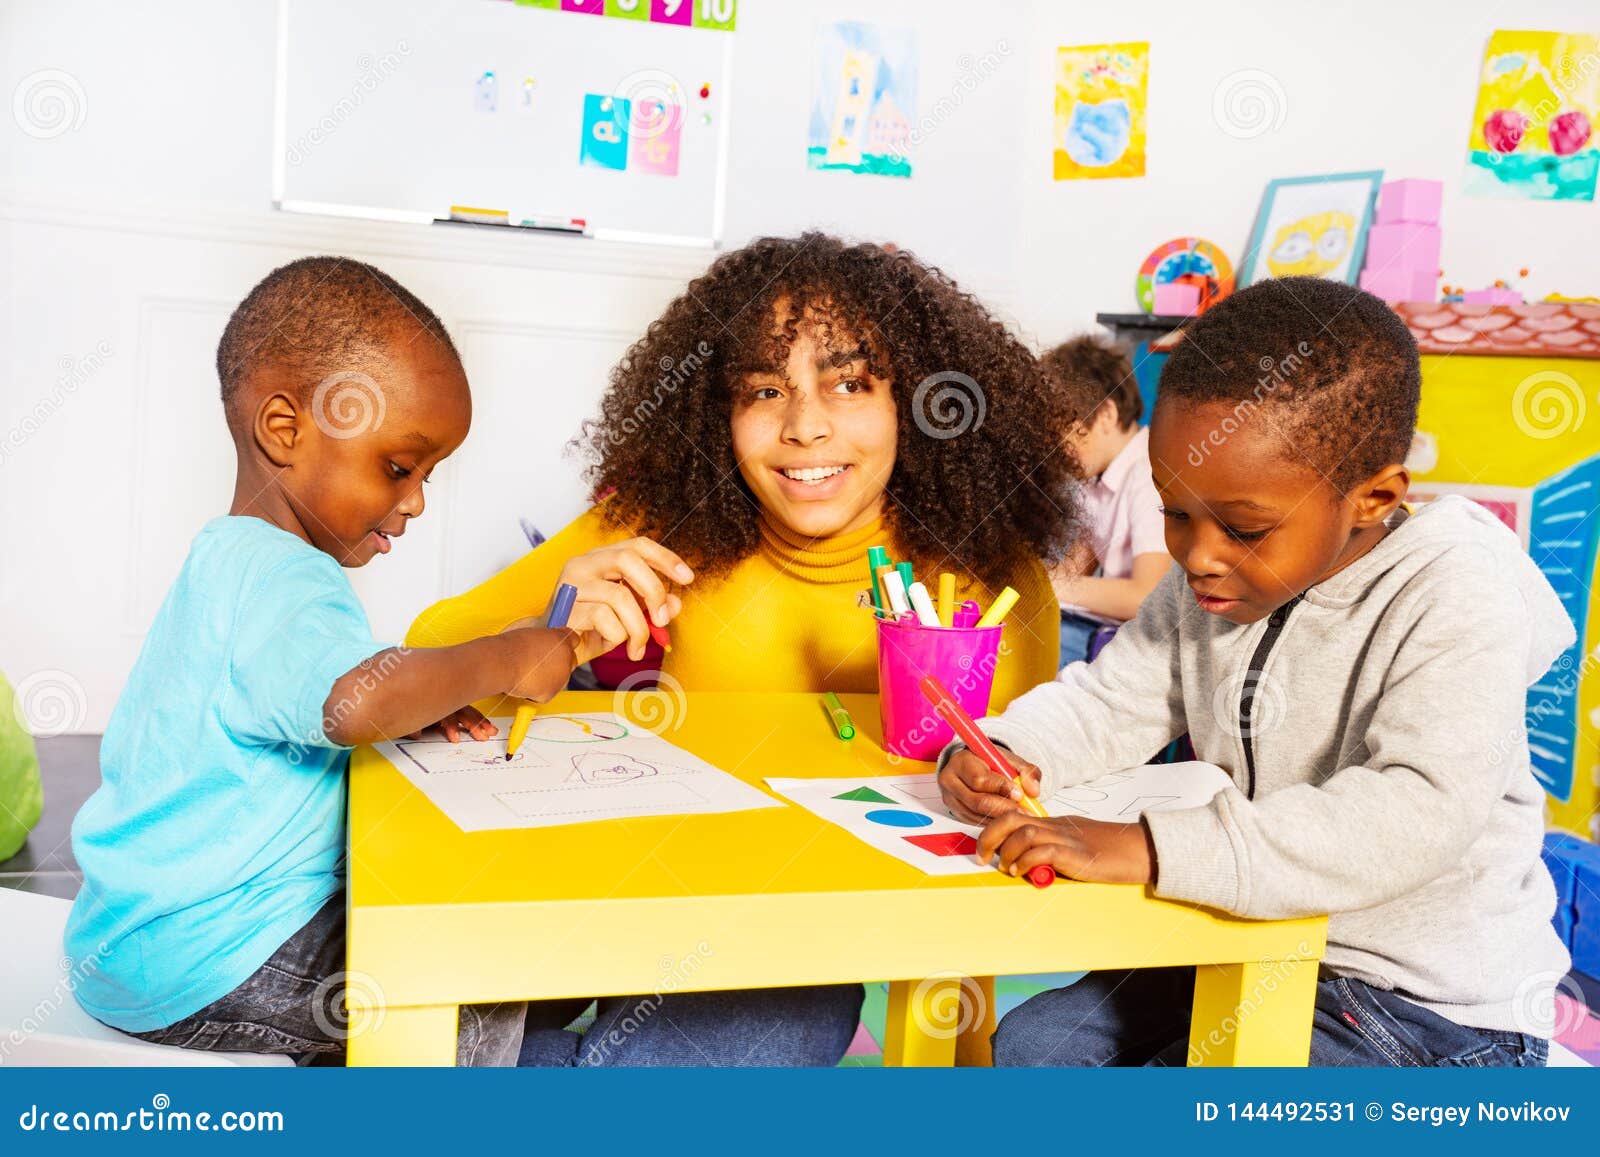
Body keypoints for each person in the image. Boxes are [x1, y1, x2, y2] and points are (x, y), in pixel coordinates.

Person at [940, 277, 1569, 1067]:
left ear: (1373, 498)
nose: (1197, 554)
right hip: (1253, 943)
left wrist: (1154, 847)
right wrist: (1009, 747)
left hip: (1426, 1012)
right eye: (1174, 512)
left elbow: (1414, 811)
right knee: (1036, 1047)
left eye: (1243, 527)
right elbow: (1112, 700)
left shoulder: (1456, 590)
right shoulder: (1212, 577)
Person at [65, 257, 624, 1066]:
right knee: (461, 985)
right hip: (212, 958)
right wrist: (508, 653)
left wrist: (428, 703)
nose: (418, 500)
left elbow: (321, 698)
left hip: (147, 934)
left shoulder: (235, 558)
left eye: (428, 474)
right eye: (400, 467)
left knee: (483, 945)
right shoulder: (284, 578)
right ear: (284, 430)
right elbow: (351, 704)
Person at [1040, 335, 1168, 665]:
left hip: (1139, 641)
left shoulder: (1148, 472)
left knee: (1035, 650)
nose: (1056, 452)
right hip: (1103, 629)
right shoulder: (1097, 475)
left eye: (1060, 435)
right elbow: (1074, 568)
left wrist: (1055, 585)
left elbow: (1148, 597)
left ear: (1106, 415)